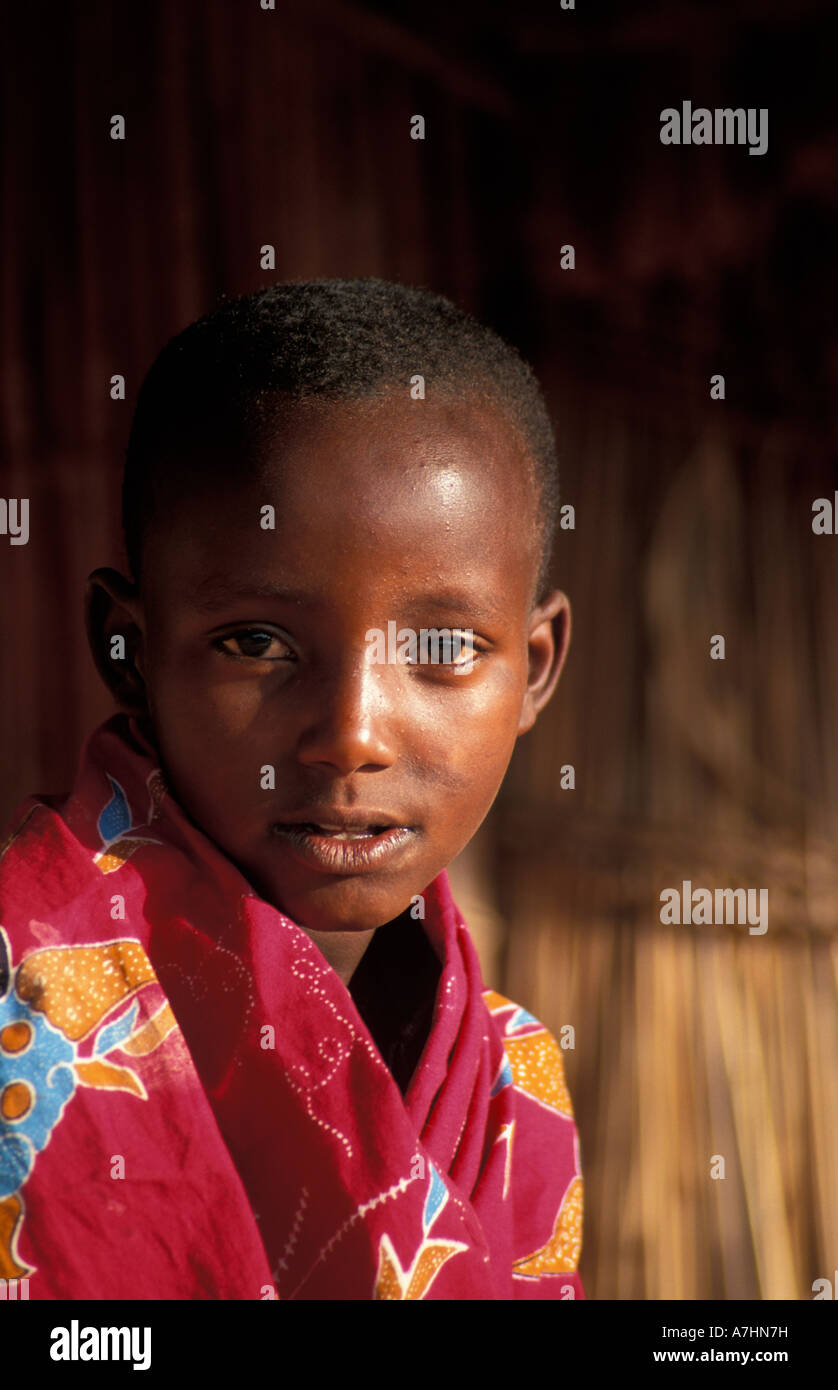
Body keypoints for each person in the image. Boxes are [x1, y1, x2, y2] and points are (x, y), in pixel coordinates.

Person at [0, 278, 584, 1300]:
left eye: (442, 645)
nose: (350, 736)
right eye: (257, 642)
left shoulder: (506, 1083)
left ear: (533, 668)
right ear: (127, 648)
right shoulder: (22, 992)